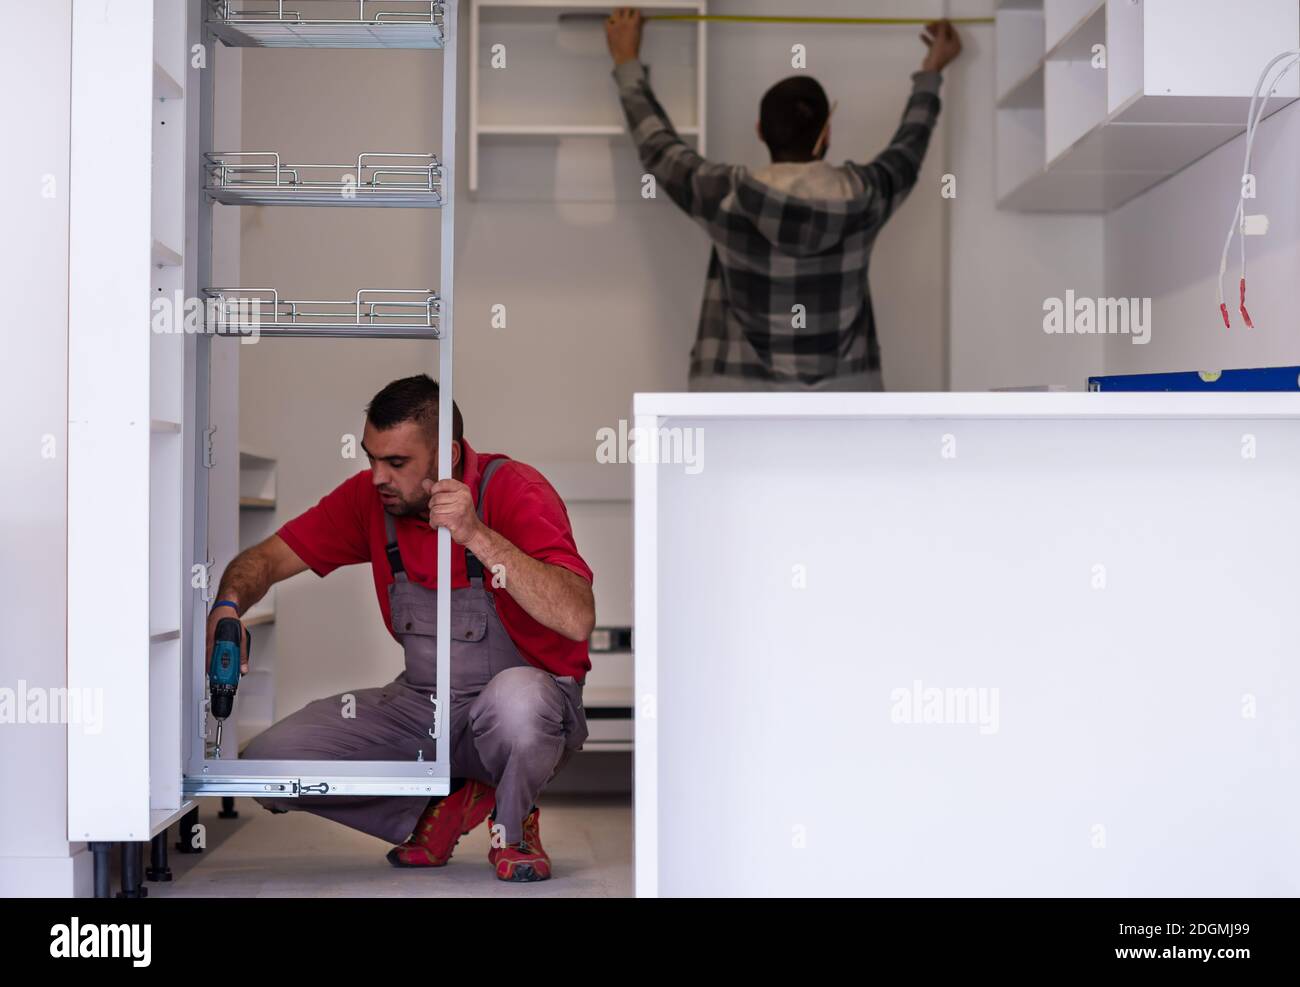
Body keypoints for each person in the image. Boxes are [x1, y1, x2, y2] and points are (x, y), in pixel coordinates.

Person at [209, 374, 596, 883]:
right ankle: (443, 806)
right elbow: (265, 559)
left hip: (526, 705)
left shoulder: (514, 489)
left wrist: (475, 533)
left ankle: (514, 826)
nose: (377, 477)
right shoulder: (373, 502)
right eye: (371, 458)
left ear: (449, 457)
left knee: (517, 702)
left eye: (396, 463)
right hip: (426, 703)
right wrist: (228, 603)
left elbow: (577, 616)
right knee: (268, 766)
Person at [606, 8, 962, 391]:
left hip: (736, 399)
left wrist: (626, 61)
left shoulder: (726, 197)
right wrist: (932, 70)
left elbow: (657, 147)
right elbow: (910, 146)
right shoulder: (868, 195)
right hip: (845, 402)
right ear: (825, 134)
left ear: (760, 131)